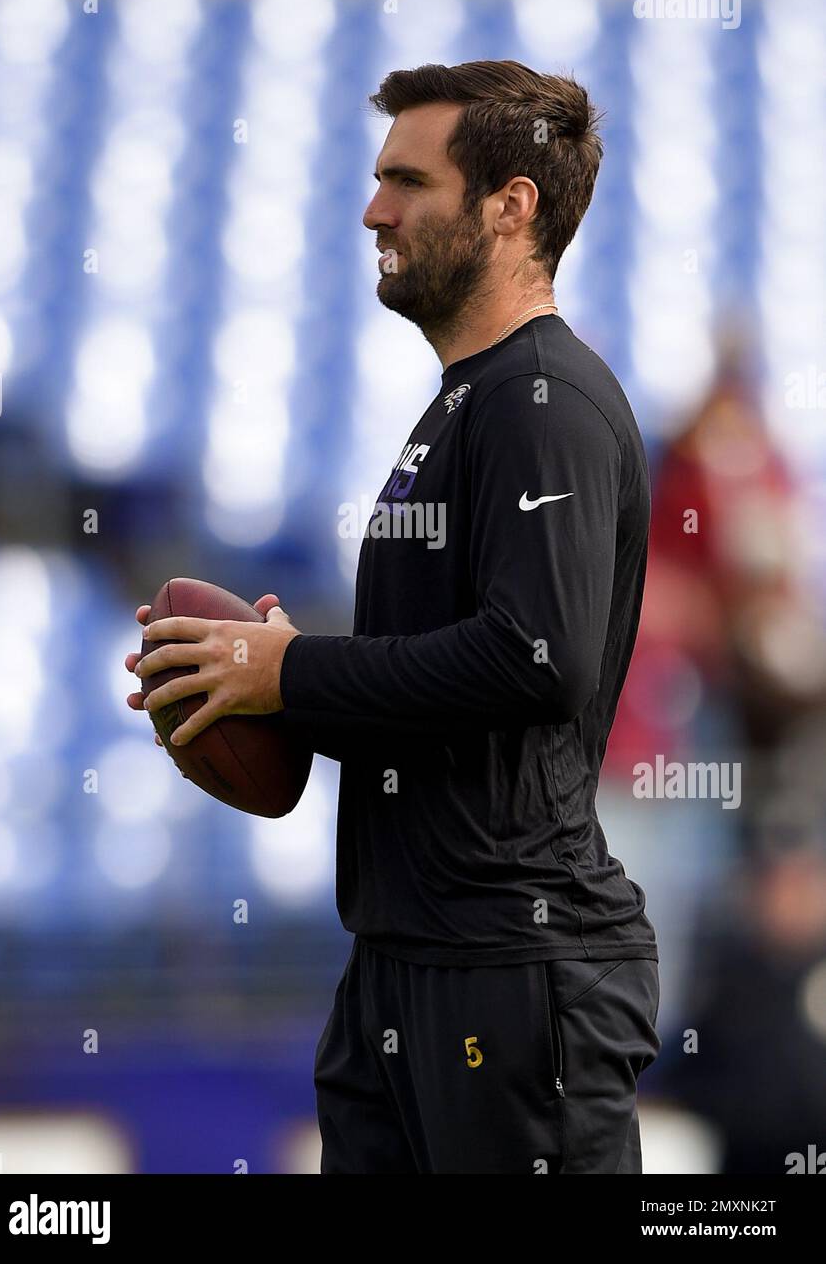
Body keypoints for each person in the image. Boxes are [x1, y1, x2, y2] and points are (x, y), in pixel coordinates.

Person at [127, 60, 661, 1174]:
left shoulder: (540, 402)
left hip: (512, 970)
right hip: (407, 964)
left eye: (409, 181)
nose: (375, 209)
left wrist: (296, 674)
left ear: (512, 206)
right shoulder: (469, 401)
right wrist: (253, 677)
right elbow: (447, 687)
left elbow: (536, 658)